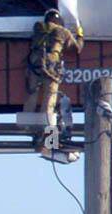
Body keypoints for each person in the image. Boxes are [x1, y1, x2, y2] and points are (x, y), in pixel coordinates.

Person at [23, 9, 83, 154]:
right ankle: (46, 134)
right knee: (49, 101)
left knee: (32, 95)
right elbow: (77, 49)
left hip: (35, 66)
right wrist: (80, 34)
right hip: (51, 69)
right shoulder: (63, 32)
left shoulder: (37, 27)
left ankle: (27, 127)